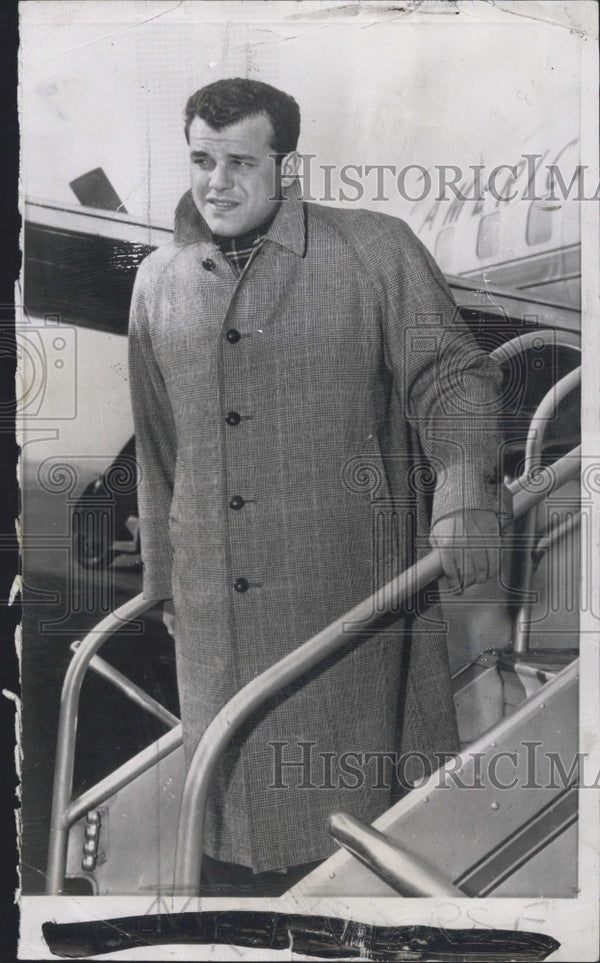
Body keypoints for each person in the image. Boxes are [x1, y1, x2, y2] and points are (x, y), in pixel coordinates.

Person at [128, 77, 511, 895]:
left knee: (355, 853)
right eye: (201, 160)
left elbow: (456, 378)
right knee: (227, 853)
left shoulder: (375, 249)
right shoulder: (157, 281)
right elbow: (160, 452)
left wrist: (465, 483)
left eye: (240, 163)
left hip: (346, 617)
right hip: (213, 627)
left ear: (287, 166)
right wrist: (163, 584)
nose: (216, 183)